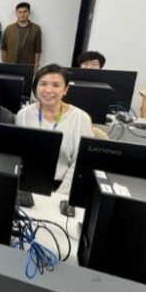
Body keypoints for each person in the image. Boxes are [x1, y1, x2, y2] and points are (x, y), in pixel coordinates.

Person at [16, 64, 92, 195]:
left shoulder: (80, 118)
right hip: (27, 184)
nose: (48, 90)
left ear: (66, 89)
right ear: (35, 87)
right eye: (43, 84)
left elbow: (81, 163)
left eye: (56, 85)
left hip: (63, 187)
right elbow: (18, 155)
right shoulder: (23, 114)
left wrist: (60, 194)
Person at [1, 2, 42, 67]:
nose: (22, 14)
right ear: (16, 13)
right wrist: (4, 64)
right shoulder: (9, 28)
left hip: (28, 64)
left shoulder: (36, 29)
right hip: (10, 64)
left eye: (25, 12)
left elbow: (37, 49)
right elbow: (4, 48)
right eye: (19, 12)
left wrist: (36, 64)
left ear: (29, 12)